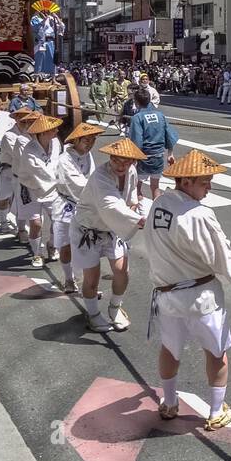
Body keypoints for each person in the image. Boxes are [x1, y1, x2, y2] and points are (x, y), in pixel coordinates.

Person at [144, 150, 231, 432]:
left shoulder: (159, 203)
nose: (209, 186)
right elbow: (220, 256)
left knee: (170, 349)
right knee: (216, 352)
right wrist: (230, 272)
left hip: (168, 295)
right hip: (201, 298)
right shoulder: (200, 214)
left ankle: (170, 402)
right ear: (186, 182)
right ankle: (214, 410)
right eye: (205, 181)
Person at [73, 138, 147, 333]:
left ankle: (115, 307)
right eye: (116, 160)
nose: (121, 165)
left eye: (126, 161)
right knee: (92, 276)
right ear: (110, 158)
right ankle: (93, 314)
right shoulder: (100, 176)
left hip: (113, 228)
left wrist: (131, 218)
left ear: (133, 161)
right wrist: (137, 221)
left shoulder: (131, 171)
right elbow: (110, 205)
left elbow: (130, 200)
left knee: (122, 270)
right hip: (88, 228)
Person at [56, 122, 102, 293]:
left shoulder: (88, 155)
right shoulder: (64, 159)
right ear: (76, 140)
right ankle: (68, 278)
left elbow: (93, 177)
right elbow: (78, 184)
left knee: (87, 245)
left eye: (93, 140)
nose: (90, 143)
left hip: (85, 204)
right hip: (67, 203)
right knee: (66, 244)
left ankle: (88, 284)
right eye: (86, 140)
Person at [14, 115, 65, 268]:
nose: (56, 131)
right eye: (52, 129)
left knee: (58, 221)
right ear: (42, 132)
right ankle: (37, 253)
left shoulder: (56, 142)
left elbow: (59, 163)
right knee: (36, 223)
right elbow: (43, 174)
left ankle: (51, 244)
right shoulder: (29, 149)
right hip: (31, 188)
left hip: (52, 188)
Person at [128, 88, 179, 200]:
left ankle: (140, 212)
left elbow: (136, 140)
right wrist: (170, 153)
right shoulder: (160, 115)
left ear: (136, 102)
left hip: (144, 156)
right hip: (158, 156)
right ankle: (156, 209)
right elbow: (169, 134)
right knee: (155, 187)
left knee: (136, 187)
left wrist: (133, 158)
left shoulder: (137, 117)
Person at [30, 8, 65, 79]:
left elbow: (61, 27)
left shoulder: (52, 18)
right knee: (39, 59)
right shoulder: (35, 17)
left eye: (46, 9)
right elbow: (34, 28)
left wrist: (56, 17)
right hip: (41, 41)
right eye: (43, 9)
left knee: (52, 59)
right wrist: (43, 20)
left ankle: (53, 78)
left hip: (50, 41)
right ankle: (37, 78)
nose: (45, 10)